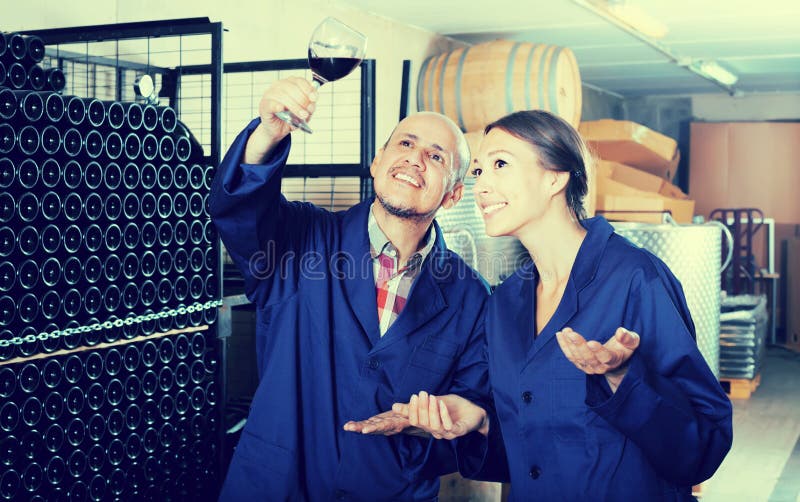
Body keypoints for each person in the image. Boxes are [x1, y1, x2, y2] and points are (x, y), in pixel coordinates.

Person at [346, 110, 734, 501]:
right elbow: (530, 446)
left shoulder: (635, 279)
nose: (482, 186)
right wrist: (480, 421)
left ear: (555, 178)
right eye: (478, 171)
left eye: (500, 165)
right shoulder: (505, 303)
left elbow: (705, 445)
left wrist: (621, 380)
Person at [210, 76, 492, 501]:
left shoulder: (471, 297)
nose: (415, 158)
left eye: (436, 156)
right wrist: (267, 134)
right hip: (276, 486)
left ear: (452, 196)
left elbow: (470, 408)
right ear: (377, 162)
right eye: (405, 143)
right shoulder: (299, 239)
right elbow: (237, 209)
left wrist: (432, 430)